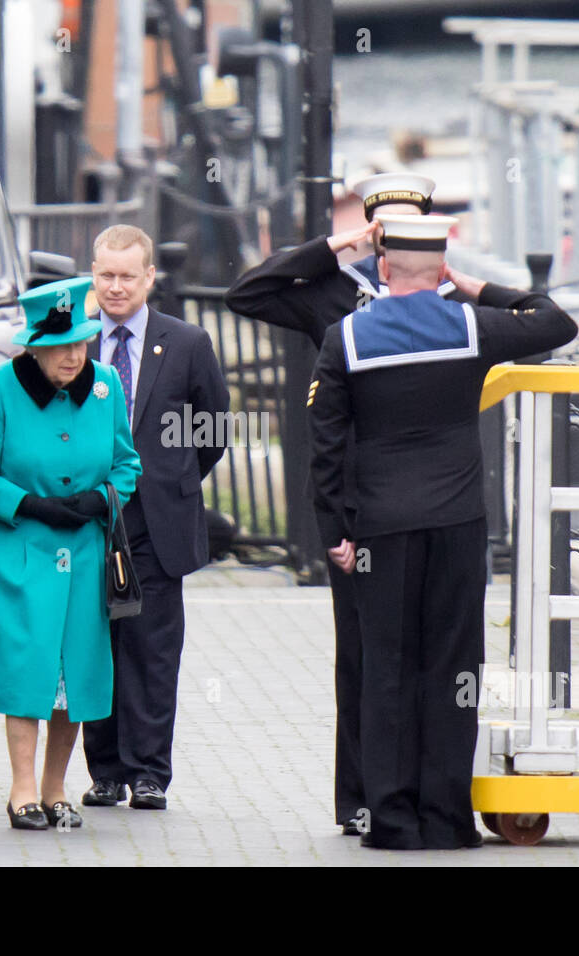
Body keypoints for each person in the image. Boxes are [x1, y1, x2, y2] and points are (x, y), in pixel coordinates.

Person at [308, 214, 577, 849]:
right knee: (453, 667)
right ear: (441, 268)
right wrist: (479, 289)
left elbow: (324, 448)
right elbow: (555, 322)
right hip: (458, 523)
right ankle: (447, 816)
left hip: (379, 526)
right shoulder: (469, 325)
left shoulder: (343, 337)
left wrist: (335, 532)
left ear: (380, 268)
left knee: (387, 668)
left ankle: (391, 820)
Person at [224, 172, 436, 835]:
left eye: (406, 227)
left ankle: (425, 790)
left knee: (432, 654)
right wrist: (338, 244)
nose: (392, 240)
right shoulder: (334, 297)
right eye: (383, 228)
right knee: (363, 656)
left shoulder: (444, 299)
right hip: (357, 498)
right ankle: (362, 797)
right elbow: (247, 292)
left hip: (431, 494)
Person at [0, 276, 141, 829]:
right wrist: (29, 505)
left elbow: (127, 464)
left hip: (85, 554)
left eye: (82, 343)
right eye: (61, 346)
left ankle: (57, 788)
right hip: (22, 554)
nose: (74, 356)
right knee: (28, 670)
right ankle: (22, 790)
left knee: (74, 675)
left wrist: (100, 498)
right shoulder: (0, 387)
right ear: (34, 346)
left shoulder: (106, 385)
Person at [79, 225, 230, 811]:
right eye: (105, 275)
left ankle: (148, 772)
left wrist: (174, 481)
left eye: (126, 277)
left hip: (157, 524)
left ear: (148, 279)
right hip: (89, 518)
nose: (115, 287)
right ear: (93, 274)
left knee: (152, 649)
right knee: (96, 644)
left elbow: (212, 429)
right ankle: (105, 770)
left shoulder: (186, 342)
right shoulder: (76, 341)